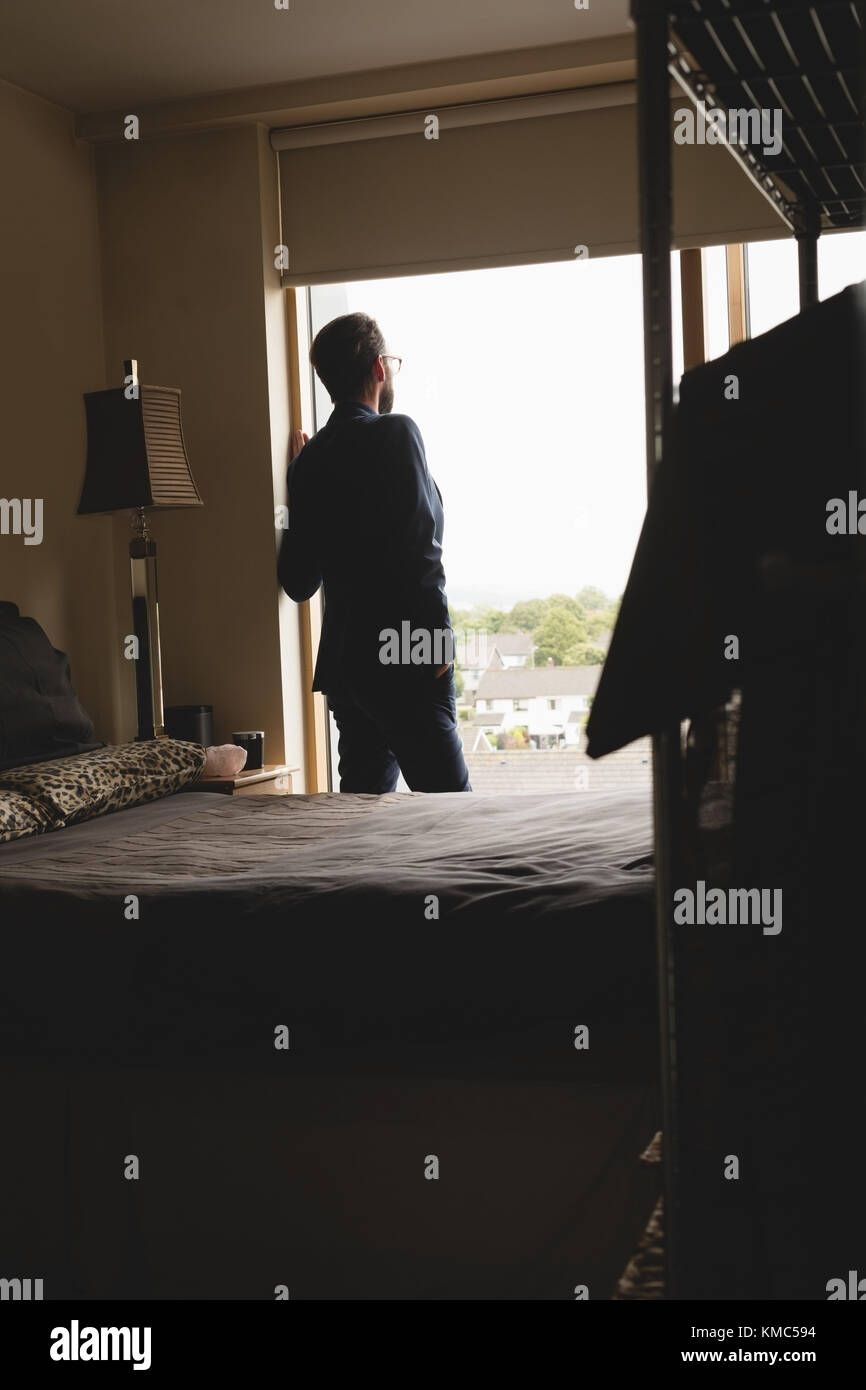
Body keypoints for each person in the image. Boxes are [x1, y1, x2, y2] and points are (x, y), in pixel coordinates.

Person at [278, 312, 471, 794]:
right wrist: (436, 646)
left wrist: (298, 485)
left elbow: (298, 582)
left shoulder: (309, 462)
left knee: (363, 817)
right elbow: (420, 554)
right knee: (452, 812)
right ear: (380, 369)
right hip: (405, 653)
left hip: (347, 670)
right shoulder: (397, 432)